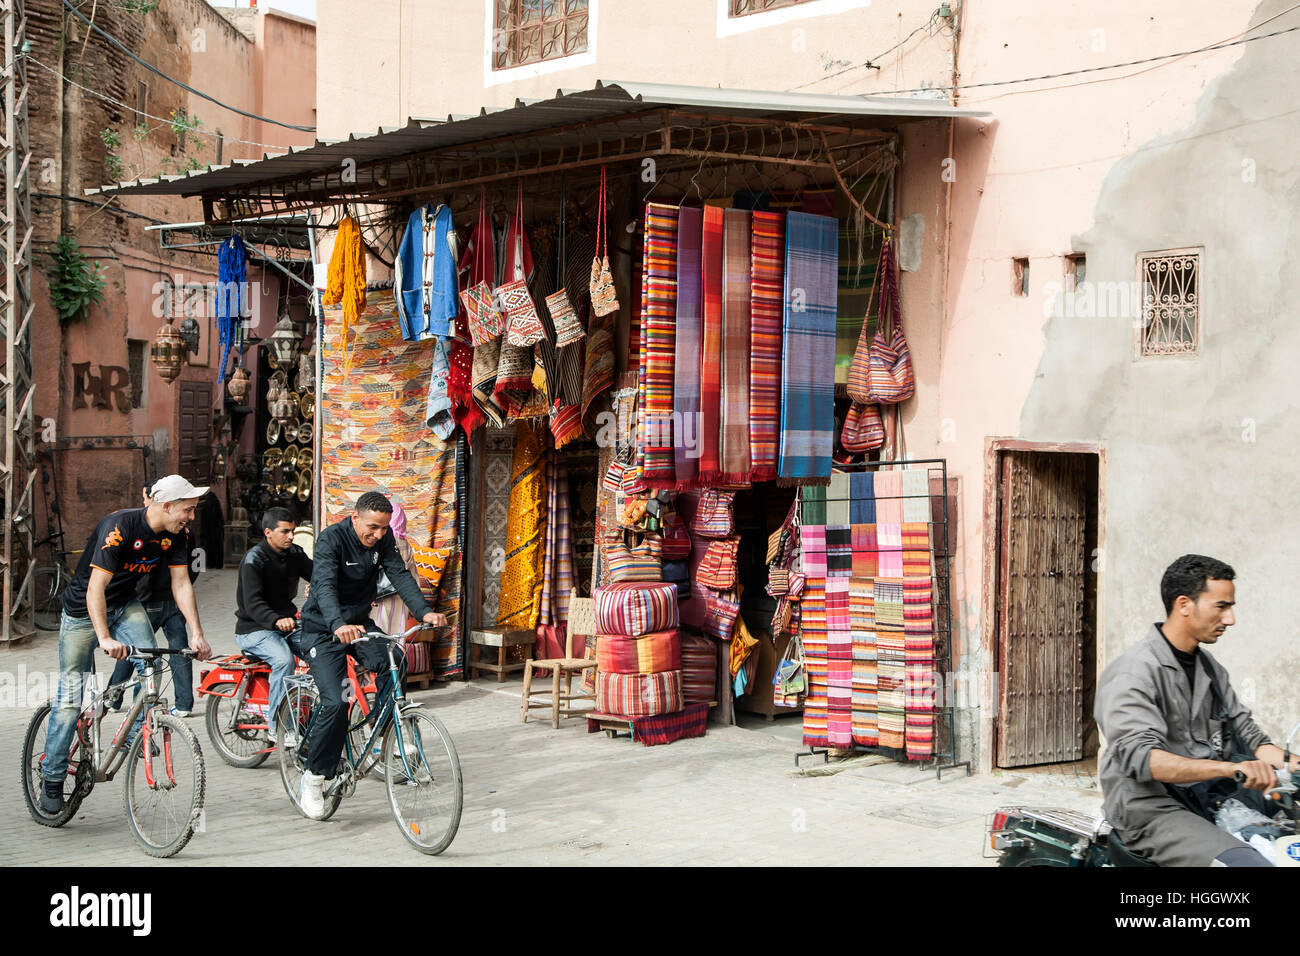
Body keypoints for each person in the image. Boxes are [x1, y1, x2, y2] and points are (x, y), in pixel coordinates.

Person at [1096, 554, 1300, 867]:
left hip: (1209, 796)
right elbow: (1145, 760)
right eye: (1221, 606)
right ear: (1184, 605)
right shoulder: (1134, 672)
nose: (1230, 619)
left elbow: (1253, 739)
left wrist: (1296, 765)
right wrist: (1229, 769)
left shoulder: (1211, 670)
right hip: (1152, 807)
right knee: (1251, 865)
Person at [40, 475, 213, 815]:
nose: (191, 517)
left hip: (125, 606)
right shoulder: (119, 527)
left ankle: (136, 735)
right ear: (167, 506)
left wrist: (197, 633)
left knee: (149, 662)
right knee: (69, 699)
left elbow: (181, 584)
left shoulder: (177, 535)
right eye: (188, 510)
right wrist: (104, 637)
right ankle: (52, 777)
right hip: (82, 613)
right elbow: (94, 589)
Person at [295, 491, 445, 818]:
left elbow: (400, 575)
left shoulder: (384, 539)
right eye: (372, 527)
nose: (377, 535)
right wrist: (336, 624)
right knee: (336, 702)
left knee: (395, 659)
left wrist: (423, 612)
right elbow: (323, 586)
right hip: (322, 627)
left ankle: (380, 727)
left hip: (359, 626)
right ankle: (314, 777)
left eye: (383, 528)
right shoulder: (330, 540)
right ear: (355, 518)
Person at [106, 483, 202, 717]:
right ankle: (183, 704)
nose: (190, 517)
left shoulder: (178, 532)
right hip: (169, 601)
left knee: (140, 654)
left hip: (150, 600)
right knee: (176, 651)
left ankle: (116, 699)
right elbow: (197, 567)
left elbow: (191, 566)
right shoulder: (139, 527)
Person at [234, 507, 313, 745]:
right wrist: (275, 620)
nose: (291, 536)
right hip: (254, 629)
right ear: (268, 532)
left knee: (321, 649)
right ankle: (277, 725)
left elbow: (319, 575)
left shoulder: (295, 554)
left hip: (287, 626)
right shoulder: (253, 559)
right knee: (284, 660)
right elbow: (252, 603)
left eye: (293, 531)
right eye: (285, 531)